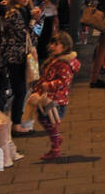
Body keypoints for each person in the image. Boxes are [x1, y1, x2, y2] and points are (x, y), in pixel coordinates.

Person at [28, 30, 80, 161]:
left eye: (56, 44)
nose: (52, 47)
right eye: (52, 44)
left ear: (65, 46)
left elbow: (64, 81)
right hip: (49, 98)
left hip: (56, 100)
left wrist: (48, 85)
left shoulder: (63, 64)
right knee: (44, 120)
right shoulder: (54, 60)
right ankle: (56, 139)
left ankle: (55, 147)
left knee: (49, 121)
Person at [0, 0, 37, 132]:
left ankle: (17, 121)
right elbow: (24, 33)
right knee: (19, 89)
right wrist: (34, 21)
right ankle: (16, 123)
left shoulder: (25, 11)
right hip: (15, 56)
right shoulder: (14, 13)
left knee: (22, 89)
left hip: (22, 54)